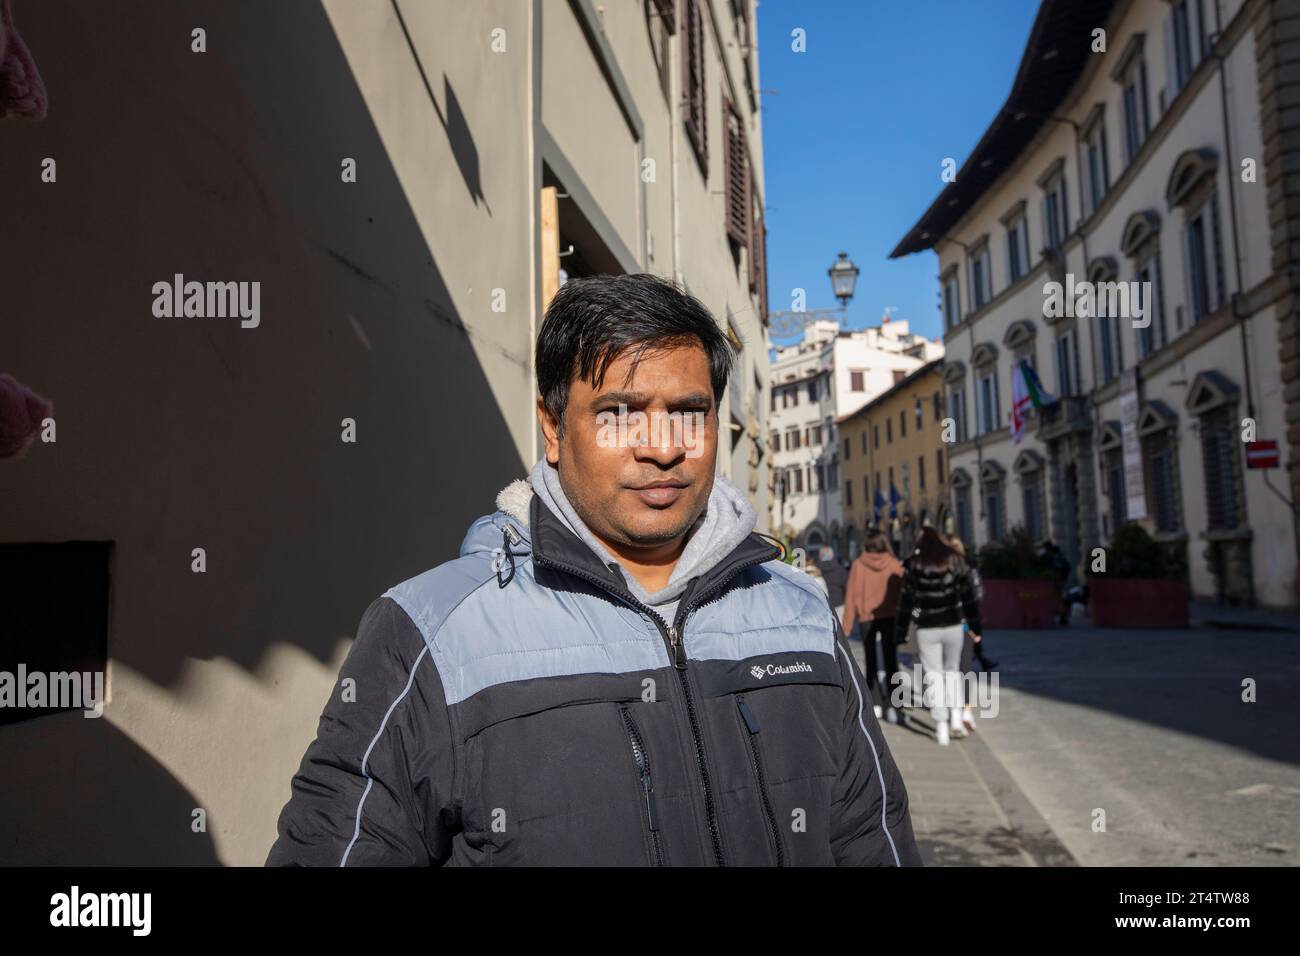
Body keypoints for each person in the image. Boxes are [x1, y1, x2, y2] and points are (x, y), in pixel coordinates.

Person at [267, 273, 921, 867]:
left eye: (689, 413)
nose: (661, 448)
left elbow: (872, 838)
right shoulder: (429, 634)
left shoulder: (800, 613)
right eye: (618, 414)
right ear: (553, 429)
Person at [893, 527, 983, 746]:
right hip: (953, 625)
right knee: (952, 672)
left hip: (927, 628)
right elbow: (968, 597)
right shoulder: (954, 561)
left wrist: (901, 632)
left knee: (933, 676)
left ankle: (941, 726)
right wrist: (976, 627)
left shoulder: (915, 565)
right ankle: (956, 719)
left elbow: (905, 602)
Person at [842, 527, 904, 725]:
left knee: (871, 660)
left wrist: (846, 626)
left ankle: (876, 703)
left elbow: (851, 595)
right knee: (891, 659)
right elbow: (901, 593)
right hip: (890, 615)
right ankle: (896, 701)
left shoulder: (859, 565)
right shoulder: (894, 563)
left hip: (866, 617)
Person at [943, 533, 995, 734]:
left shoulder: (940, 568)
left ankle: (952, 710)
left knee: (948, 668)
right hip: (965, 623)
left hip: (944, 623)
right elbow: (979, 594)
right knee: (965, 667)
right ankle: (966, 711)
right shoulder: (968, 566)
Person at [816, 545, 848, 624]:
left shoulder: (816, 570)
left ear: (820, 556)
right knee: (840, 630)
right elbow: (846, 587)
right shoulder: (840, 569)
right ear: (833, 555)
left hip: (821, 606)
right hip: (839, 603)